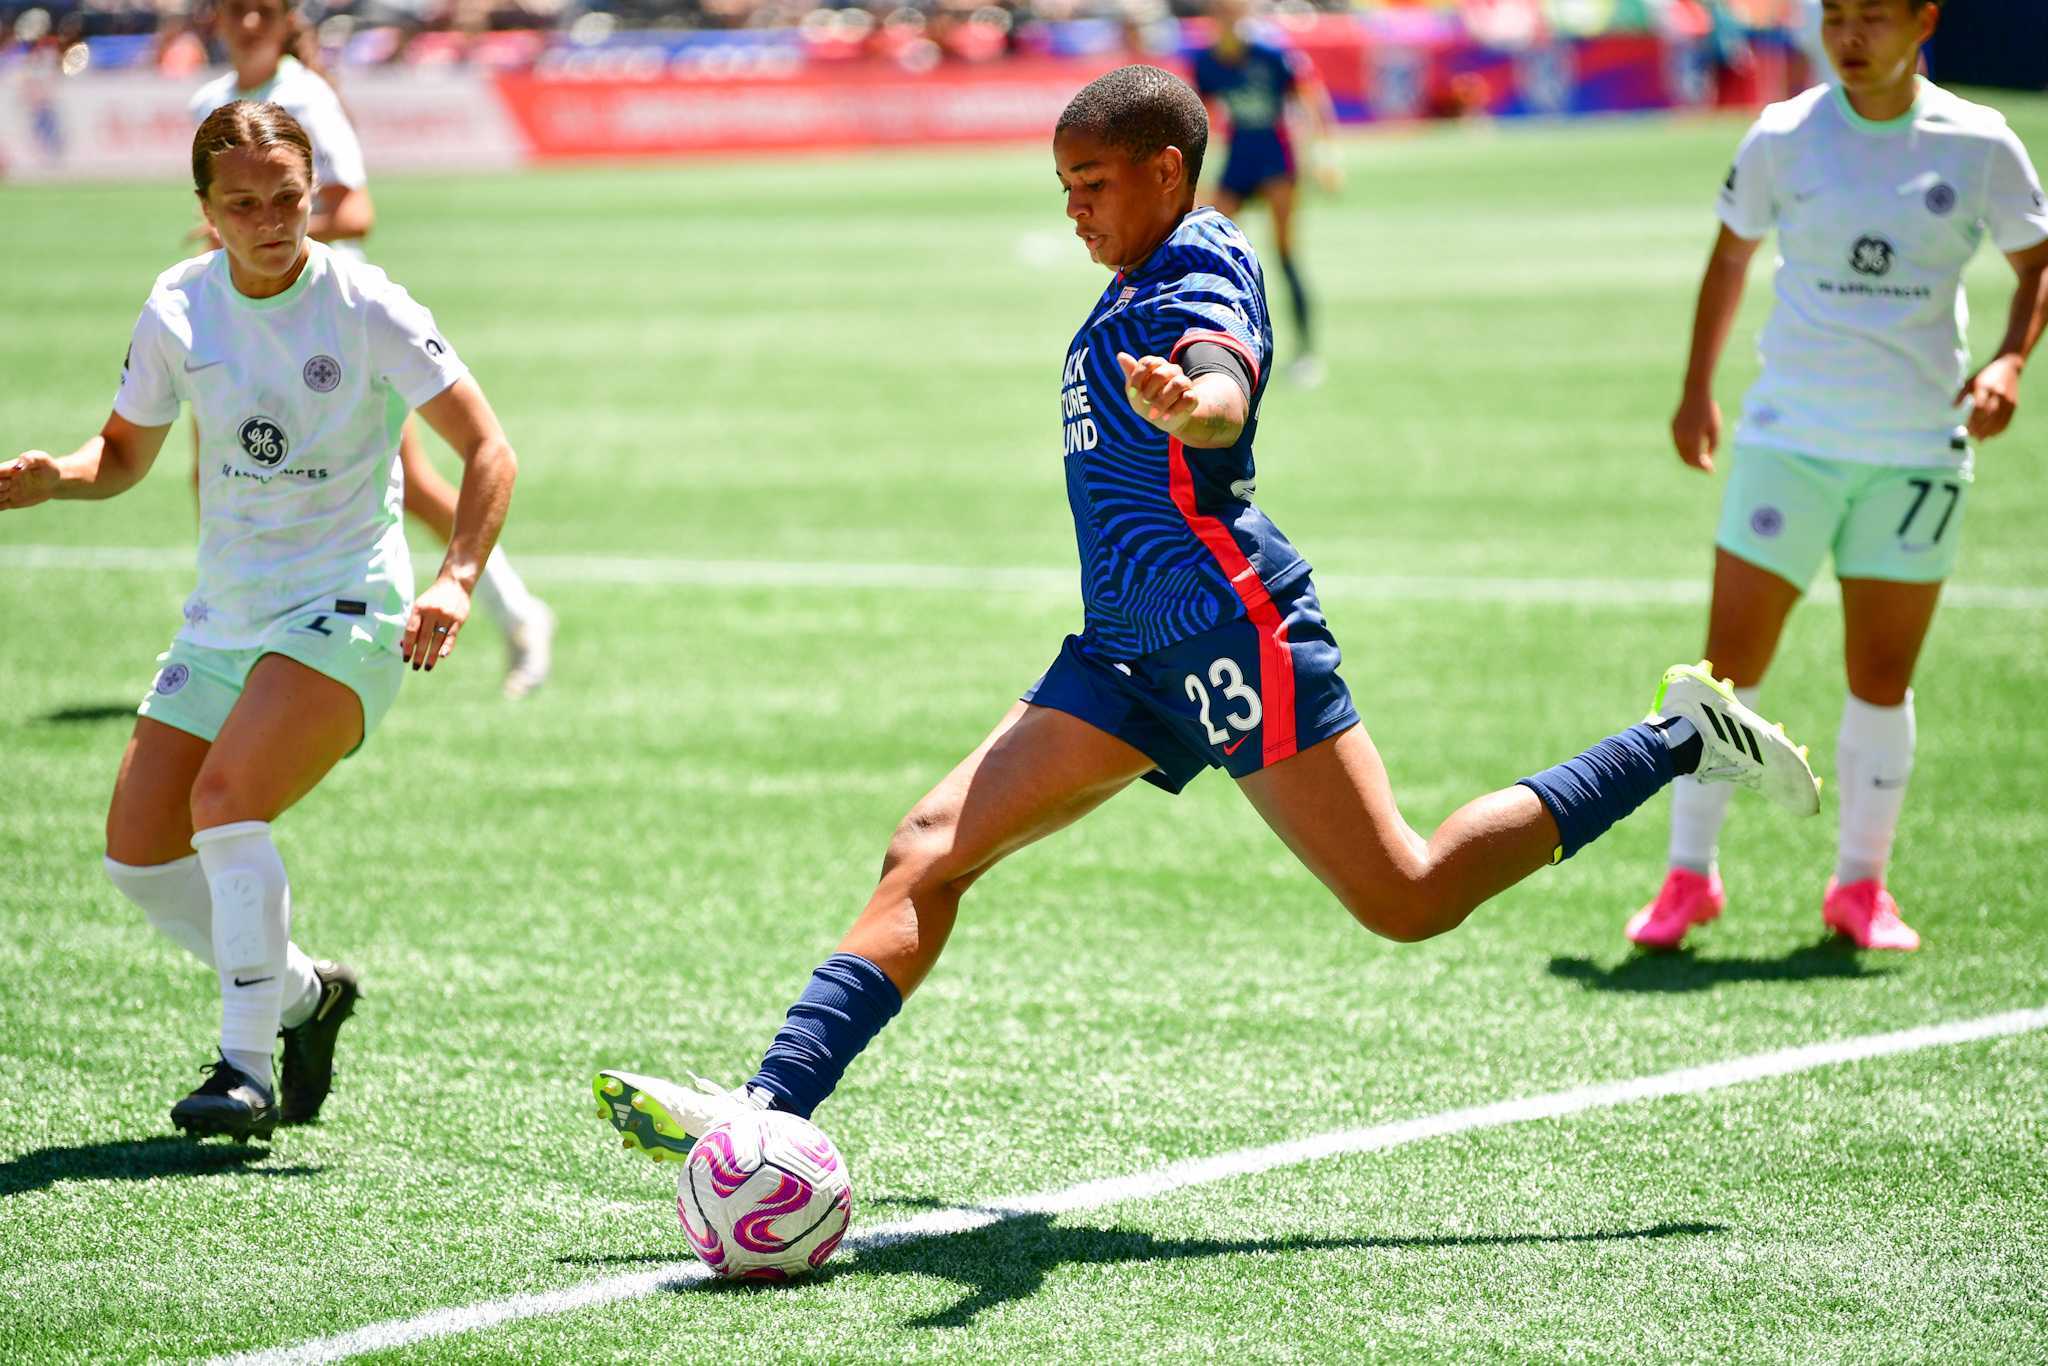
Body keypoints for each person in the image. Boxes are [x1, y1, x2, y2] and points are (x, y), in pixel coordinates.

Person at [588, 66, 1820, 1158]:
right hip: (1124, 650)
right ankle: (770, 1107)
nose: (1070, 207)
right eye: (1061, 185)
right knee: (926, 847)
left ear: (1164, 171)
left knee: (1406, 895)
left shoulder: (1201, 261)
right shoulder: (1130, 277)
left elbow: (1226, 376)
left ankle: (1679, 737)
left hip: (1231, 630)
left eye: (1089, 182)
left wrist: (1202, 406)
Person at [0, 102, 519, 1140]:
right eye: (243, 204)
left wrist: (457, 576)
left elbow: (488, 449)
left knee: (225, 799)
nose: (272, 220)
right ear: (204, 211)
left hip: (349, 606)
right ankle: (300, 997)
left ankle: (244, 1069)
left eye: (289, 198)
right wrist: (55, 478)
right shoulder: (178, 308)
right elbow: (124, 454)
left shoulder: (364, 302)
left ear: (314, 191)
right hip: (224, 619)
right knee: (137, 856)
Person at [1629, 0, 2048, 953]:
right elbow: (1730, 256)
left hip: (1914, 449)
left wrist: (2010, 361)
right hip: (1791, 442)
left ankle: (1861, 888)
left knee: (1881, 676)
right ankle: (1687, 878)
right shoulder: (1784, 133)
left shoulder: (1980, 140)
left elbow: (2035, 262)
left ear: (1922, 22)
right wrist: (1697, 389)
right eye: (1838, 19)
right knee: (1722, 669)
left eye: (1874, 19)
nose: (1852, 39)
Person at [187, 0, 556, 700]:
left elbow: (357, 210)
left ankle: (515, 611)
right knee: (213, 471)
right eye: (234, 10)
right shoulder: (211, 102)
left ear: (285, 18)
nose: (248, 24)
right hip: (246, 319)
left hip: (330, 326)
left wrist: (273, 230)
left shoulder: (306, 98)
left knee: (412, 483)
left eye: (262, 11)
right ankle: (240, 626)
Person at [1192, 0, 1339, 387]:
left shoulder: (1271, 54)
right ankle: (1199, 342)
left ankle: (1306, 351)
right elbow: (1197, 118)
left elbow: (1309, 98)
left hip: (1276, 159)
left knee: (1286, 253)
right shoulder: (1207, 62)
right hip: (1240, 158)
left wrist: (1324, 156)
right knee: (1203, 247)